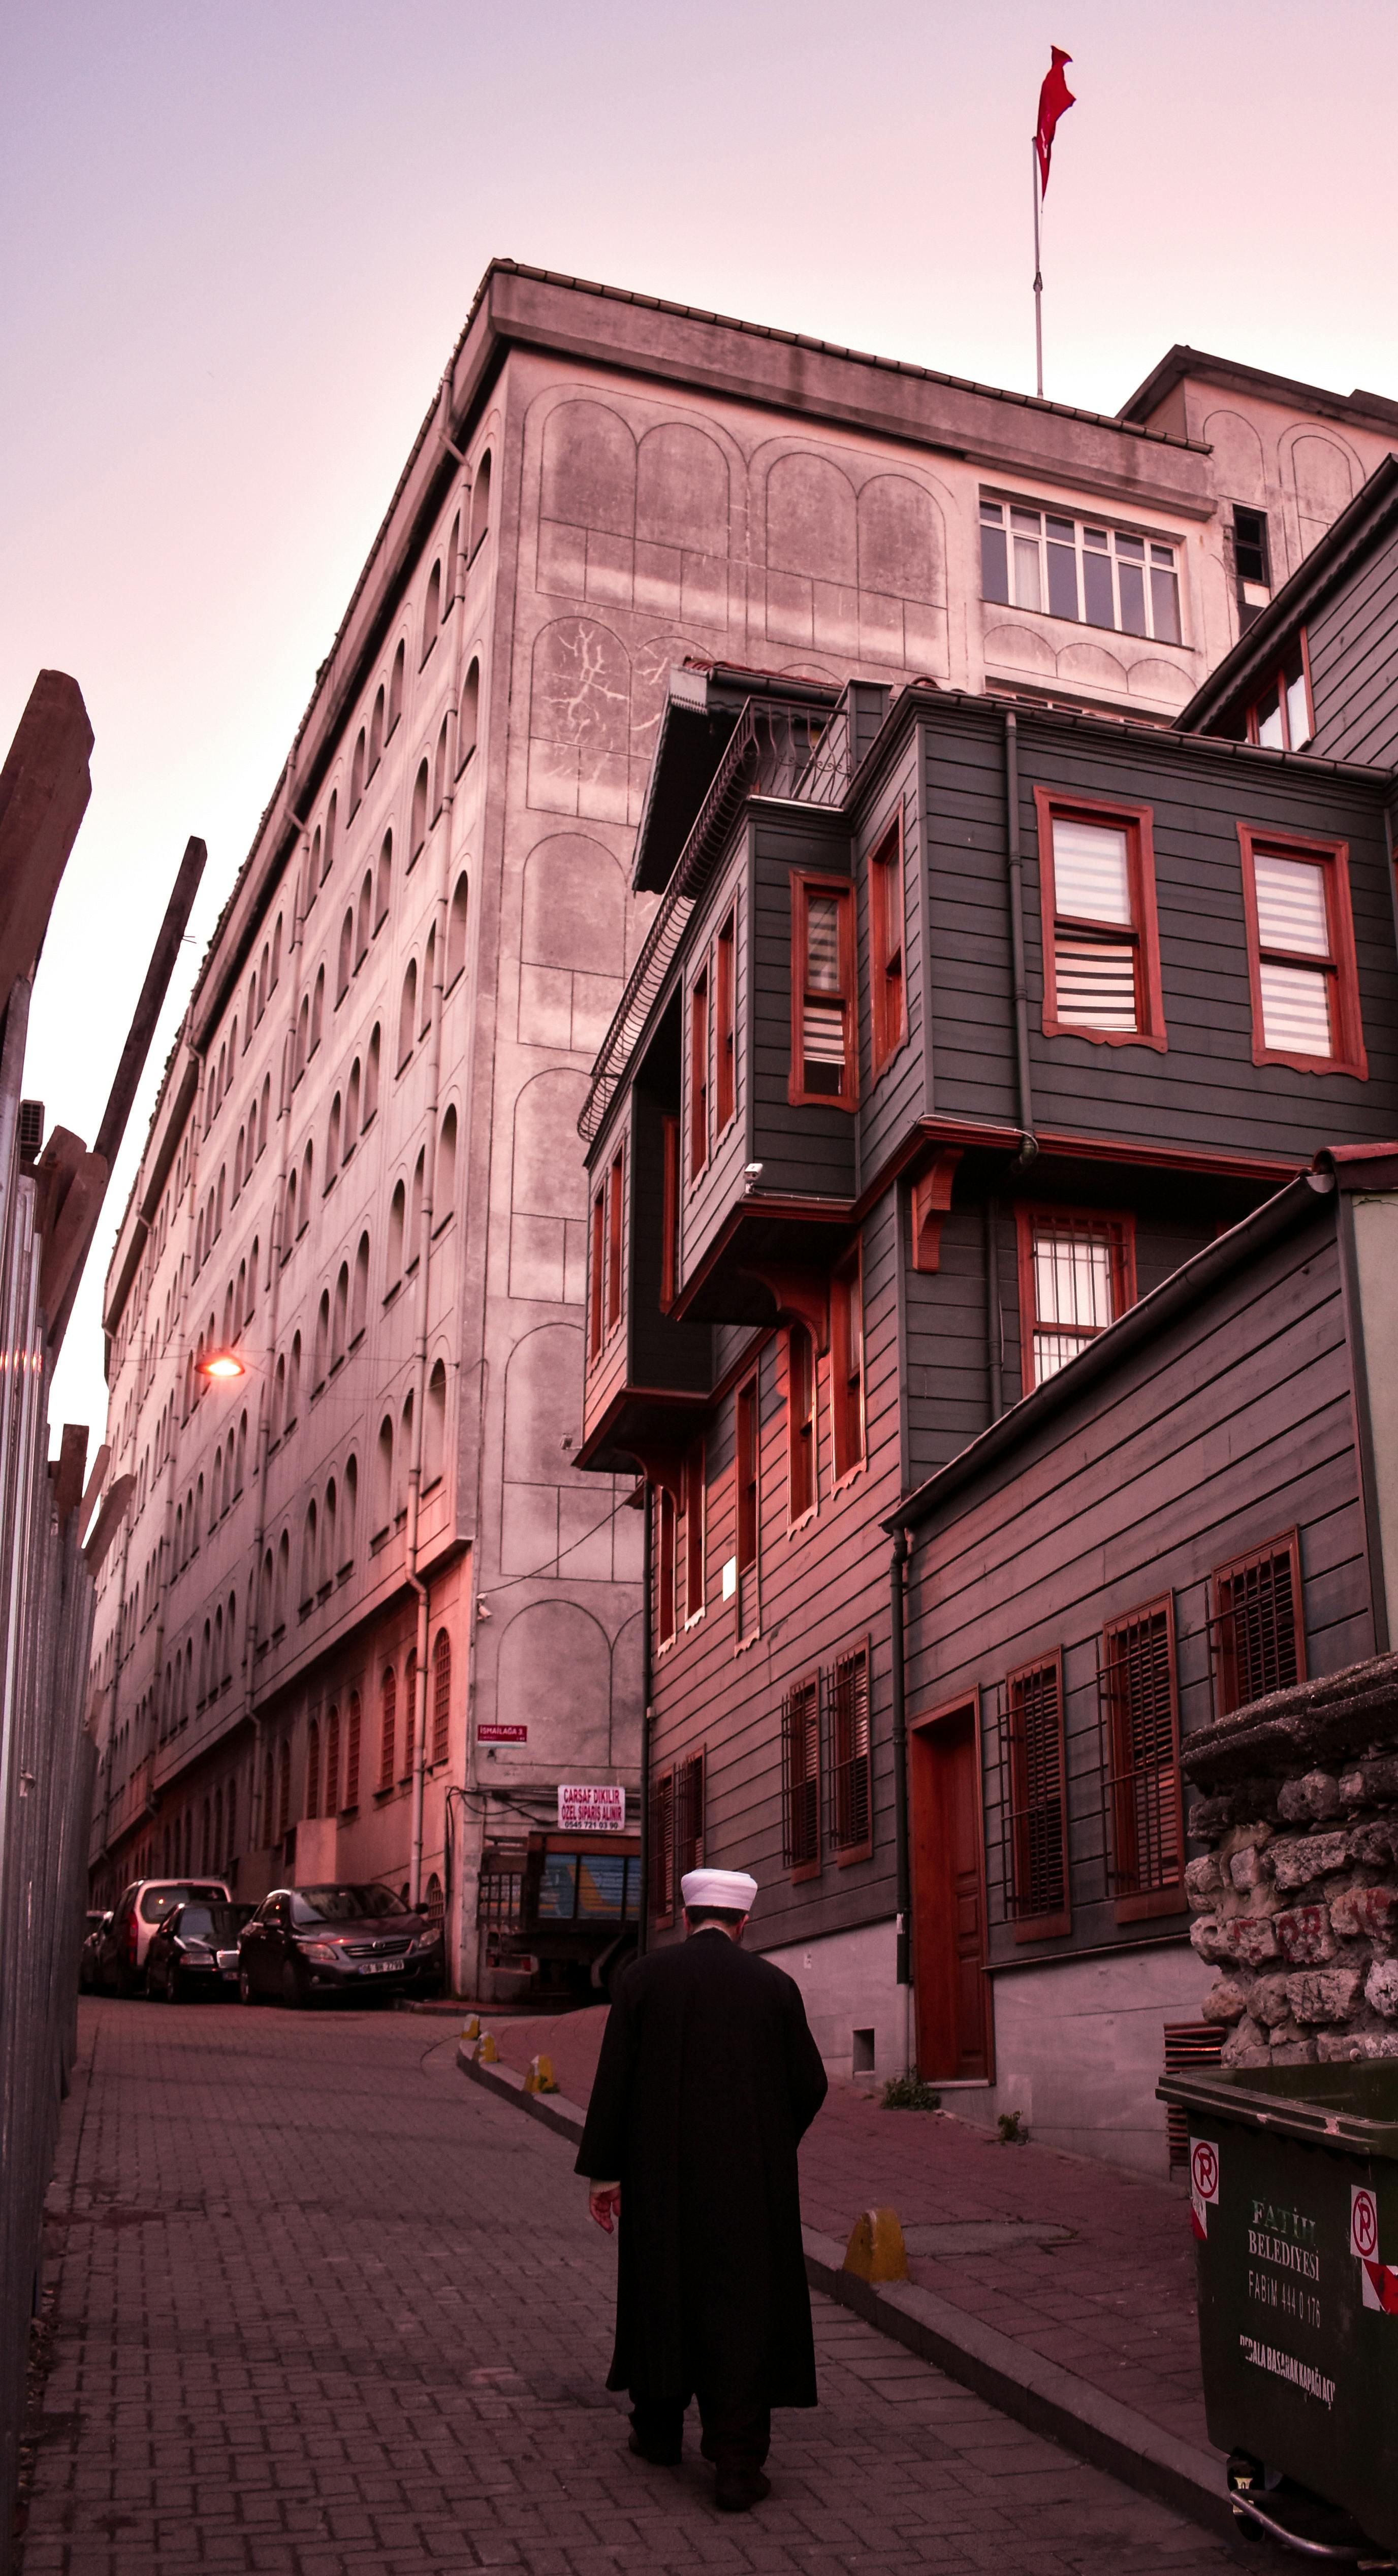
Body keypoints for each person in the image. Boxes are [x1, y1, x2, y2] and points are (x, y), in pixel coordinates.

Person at [576, 1864, 828, 2513]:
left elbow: (615, 2082)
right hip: (748, 2185)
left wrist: (608, 2173)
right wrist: (770, 2141)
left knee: (662, 2294)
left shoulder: (642, 1979)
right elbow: (810, 2083)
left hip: (661, 2182)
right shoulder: (775, 1986)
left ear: (686, 1918)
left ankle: (658, 2432)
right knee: (740, 2307)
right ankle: (737, 2463)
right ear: (744, 1922)